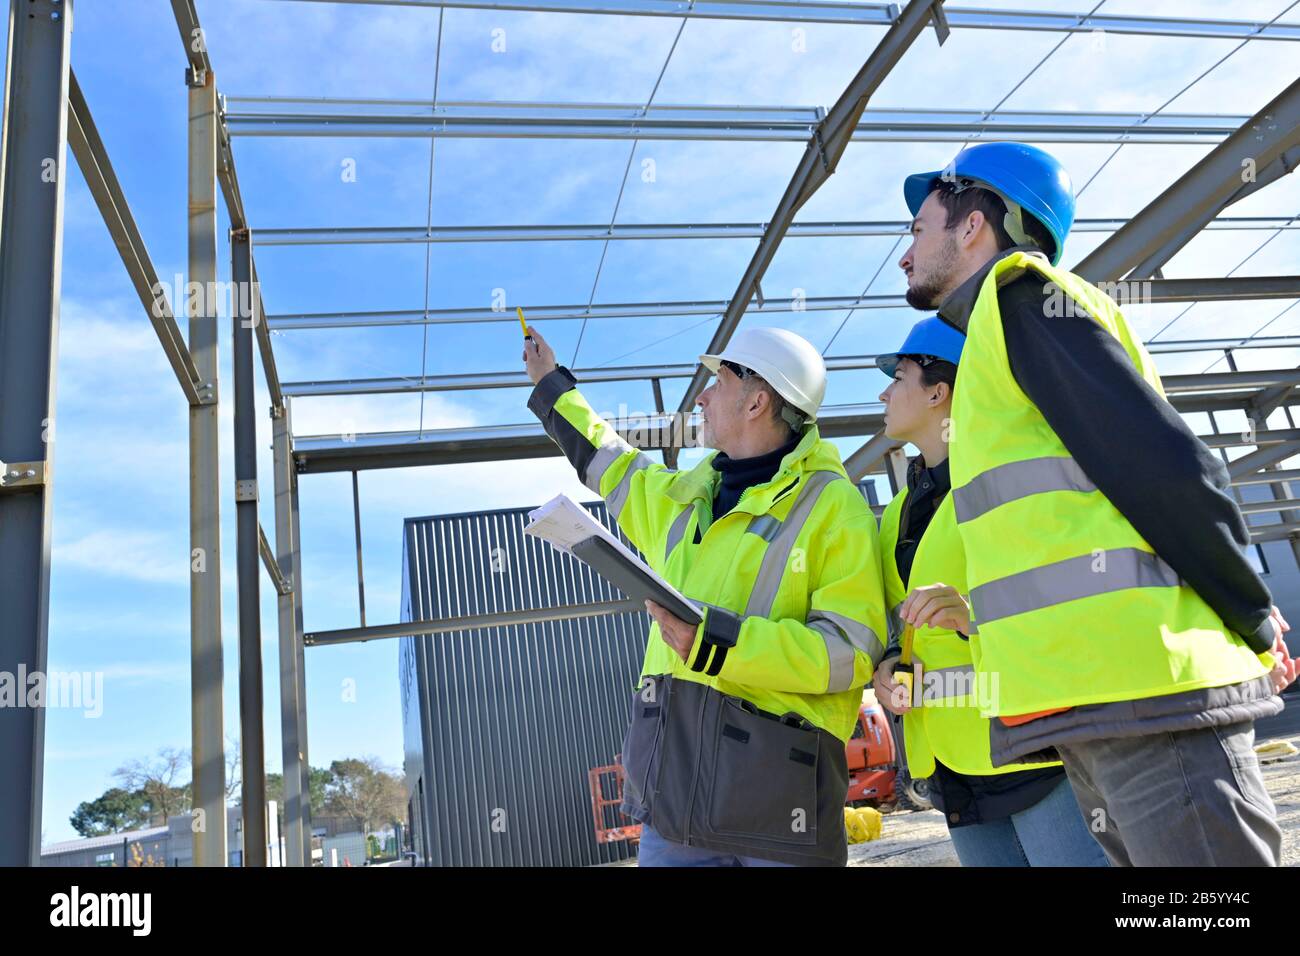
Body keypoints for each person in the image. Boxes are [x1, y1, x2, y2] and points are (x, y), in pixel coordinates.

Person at [894, 140, 1298, 866]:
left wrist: (1248, 610)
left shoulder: (1024, 297)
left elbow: (1163, 463)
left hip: (1147, 696)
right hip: (1094, 704)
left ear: (974, 226)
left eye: (918, 228)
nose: (905, 253)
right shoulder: (993, 342)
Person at [522, 325, 887, 866]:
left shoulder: (835, 508)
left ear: (757, 401)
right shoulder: (683, 499)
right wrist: (551, 385)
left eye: (718, 380)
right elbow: (606, 458)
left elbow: (849, 653)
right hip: (678, 803)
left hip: (780, 806)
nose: (702, 396)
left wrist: (718, 644)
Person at [871, 316, 1107, 866]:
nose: (883, 392)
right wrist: (887, 663)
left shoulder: (1011, 480)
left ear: (938, 391)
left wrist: (975, 614)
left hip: (1034, 748)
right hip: (952, 762)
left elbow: (1080, 585)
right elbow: (900, 624)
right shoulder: (896, 517)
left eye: (898, 377)